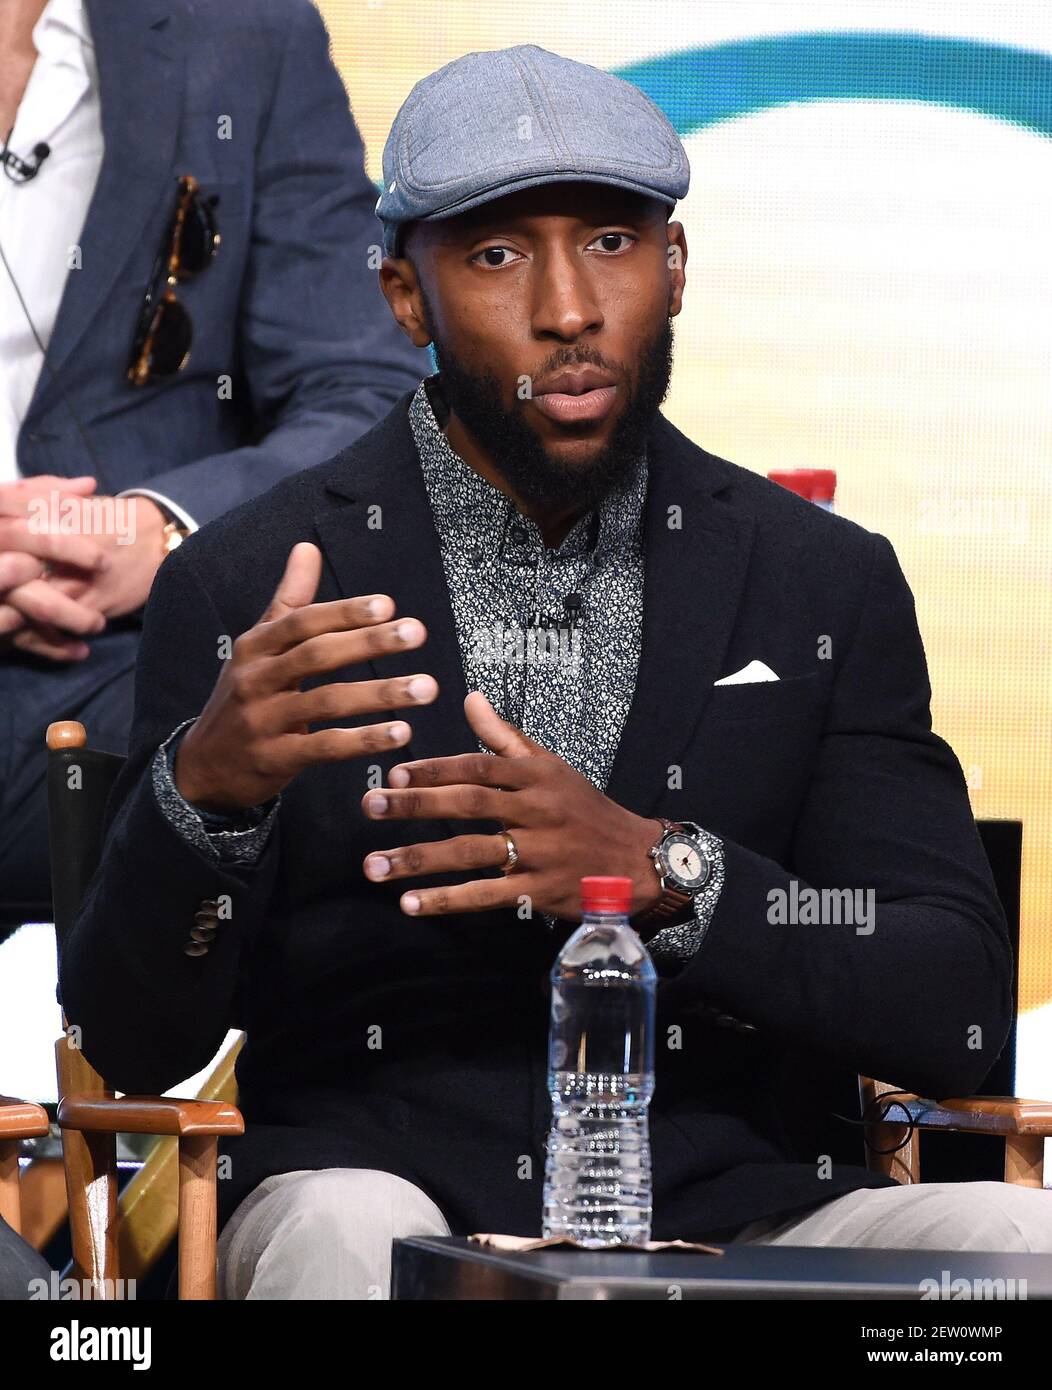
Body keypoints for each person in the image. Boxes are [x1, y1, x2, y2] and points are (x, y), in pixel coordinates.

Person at [58, 45, 1050, 1301]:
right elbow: (134, 1046)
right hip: (386, 1201)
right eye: (494, 254)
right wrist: (205, 796)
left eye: (611, 243)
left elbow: (949, 993)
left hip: (744, 1219)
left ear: (676, 268)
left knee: (1019, 1249)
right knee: (341, 1233)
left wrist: (666, 871)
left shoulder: (818, 583)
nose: (568, 309)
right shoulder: (254, 582)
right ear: (402, 299)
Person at [0, 0, 430, 913]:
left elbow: (364, 391)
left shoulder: (244, 33)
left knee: (374, 753)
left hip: (122, 669)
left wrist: (156, 534)